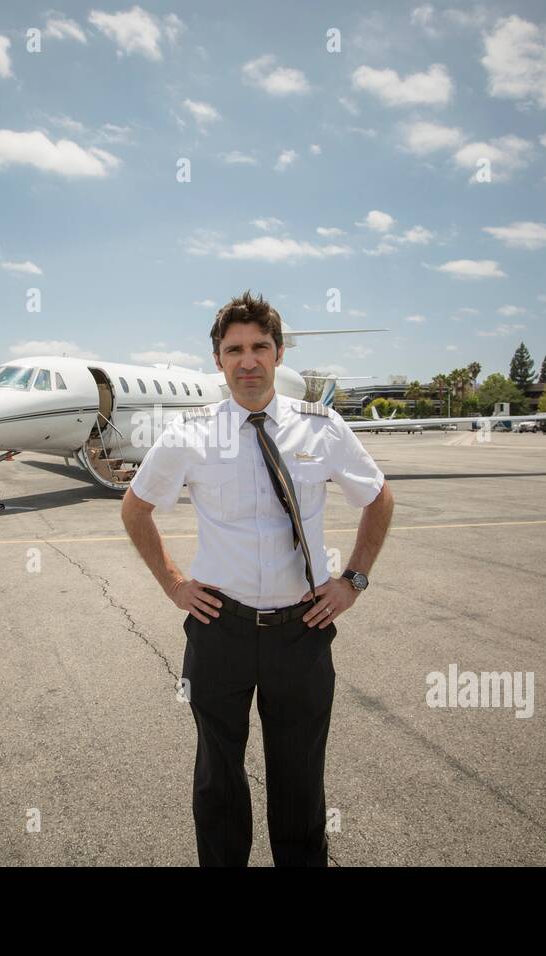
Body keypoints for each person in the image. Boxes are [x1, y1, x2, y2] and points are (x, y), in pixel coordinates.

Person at [121, 290, 394, 866]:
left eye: (260, 347)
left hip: (303, 630)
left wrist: (353, 581)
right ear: (218, 360)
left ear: (278, 354)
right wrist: (174, 583)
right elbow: (136, 507)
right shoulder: (191, 433)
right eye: (234, 349)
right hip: (220, 630)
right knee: (218, 781)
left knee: (299, 784)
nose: (248, 361)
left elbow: (379, 498)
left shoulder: (323, 428)